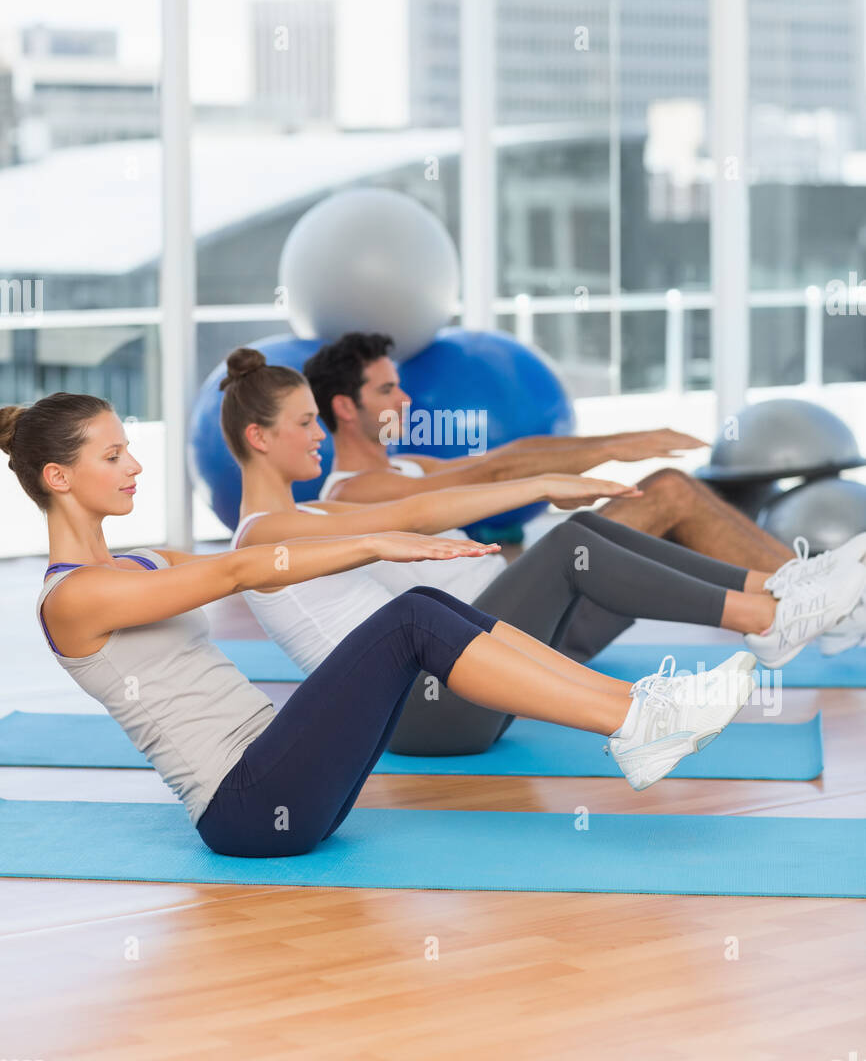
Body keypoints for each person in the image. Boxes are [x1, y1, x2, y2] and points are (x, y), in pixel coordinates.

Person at [1, 393, 761, 859]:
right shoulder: (72, 599)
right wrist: (370, 542)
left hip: (286, 775)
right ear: (58, 478)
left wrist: (386, 532)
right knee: (410, 620)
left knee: (433, 611)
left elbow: (259, 554)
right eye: (113, 454)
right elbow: (238, 572)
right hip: (250, 810)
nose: (133, 464)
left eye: (129, 447)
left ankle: (639, 719)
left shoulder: (139, 562)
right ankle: (637, 721)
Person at [219, 348, 866, 756]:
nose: (316, 437)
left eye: (313, 420)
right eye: (303, 424)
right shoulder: (263, 535)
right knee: (572, 544)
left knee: (592, 537)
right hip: (426, 713)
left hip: (465, 683)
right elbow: (412, 511)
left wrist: (548, 481)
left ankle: (786, 605)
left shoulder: (305, 515)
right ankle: (772, 614)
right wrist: (547, 483)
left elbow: (420, 506)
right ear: (258, 436)